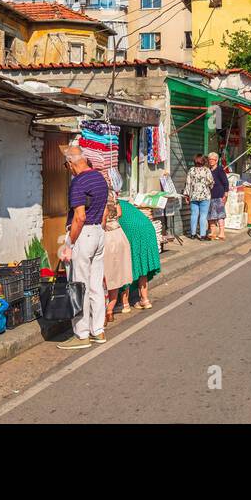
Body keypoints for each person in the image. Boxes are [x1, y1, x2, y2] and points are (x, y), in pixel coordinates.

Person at [57, 145, 110, 350]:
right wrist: (99, 232)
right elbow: (104, 212)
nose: (67, 168)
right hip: (98, 232)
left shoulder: (78, 182)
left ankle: (82, 334)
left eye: (66, 165)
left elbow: (79, 216)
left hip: (84, 234)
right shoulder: (100, 179)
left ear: (71, 163)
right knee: (96, 284)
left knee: (79, 285)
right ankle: (98, 330)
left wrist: (69, 243)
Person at [116, 198, 161, 310]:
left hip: (133, 232)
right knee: (142, 265)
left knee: (127, 265)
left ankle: (125, 304)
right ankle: (145, 300)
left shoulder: (110, 204)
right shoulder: (124, 203)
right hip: (147, 229)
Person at [102, 192, 133, 325]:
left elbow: (102, 218)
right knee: (116, 275)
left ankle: (103, 313)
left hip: (106, 236)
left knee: (104, 276)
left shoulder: (96, 194)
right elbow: (119, 213)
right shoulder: (112, 194)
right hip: (119, 235)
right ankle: (110, 311)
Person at [184, 154, 213, 240]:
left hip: (193, 196)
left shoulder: (191, 170)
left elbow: (188, 183)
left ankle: (193, 234)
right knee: (203, 216)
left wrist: (186, 195)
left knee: (194, 215)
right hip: (204, 196)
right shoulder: (207, 170)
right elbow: (210, 182)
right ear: (203, 161)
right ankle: (203, 235)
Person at [207, 152, 229, 241]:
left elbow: (225, 182)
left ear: (216, 161)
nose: (211, 161)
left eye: (213, 159)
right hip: (209, 195)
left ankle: (221, 233)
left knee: (220, 215)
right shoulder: (208, 170)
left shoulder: (220, 169)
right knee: (211, 215)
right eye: (210, 159)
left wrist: (226, 193)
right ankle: (212, 232)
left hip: (219, 194)